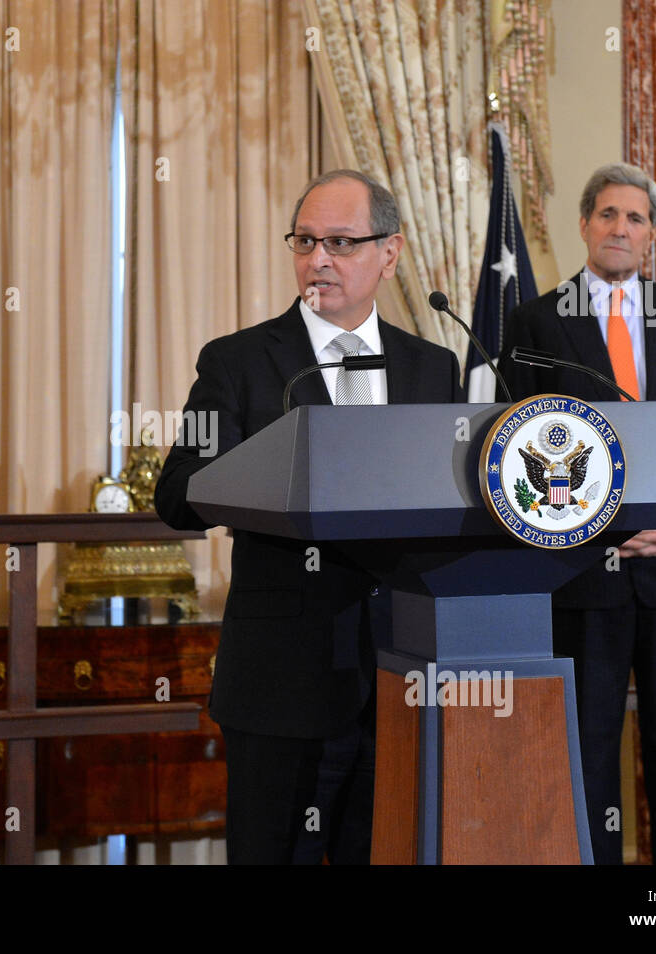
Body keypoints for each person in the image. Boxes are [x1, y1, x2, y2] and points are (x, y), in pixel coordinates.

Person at [155, 170, 463, 864]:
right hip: (279, 681)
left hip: (402, 674)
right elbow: (177, 493)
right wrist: (272, 468)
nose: (317, 259)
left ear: (390, 253)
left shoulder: (433, 368)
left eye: (340, 242)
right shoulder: (235, 362)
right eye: (305, 241)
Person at [498, 162, 656, 865]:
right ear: (585, 224)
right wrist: (587, 532)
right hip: (581, 580)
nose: (620, 228)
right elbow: (513, 453)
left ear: (652, 233)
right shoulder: (535, 321)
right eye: (607, 215)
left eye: (635, 218)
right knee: (585, 757)